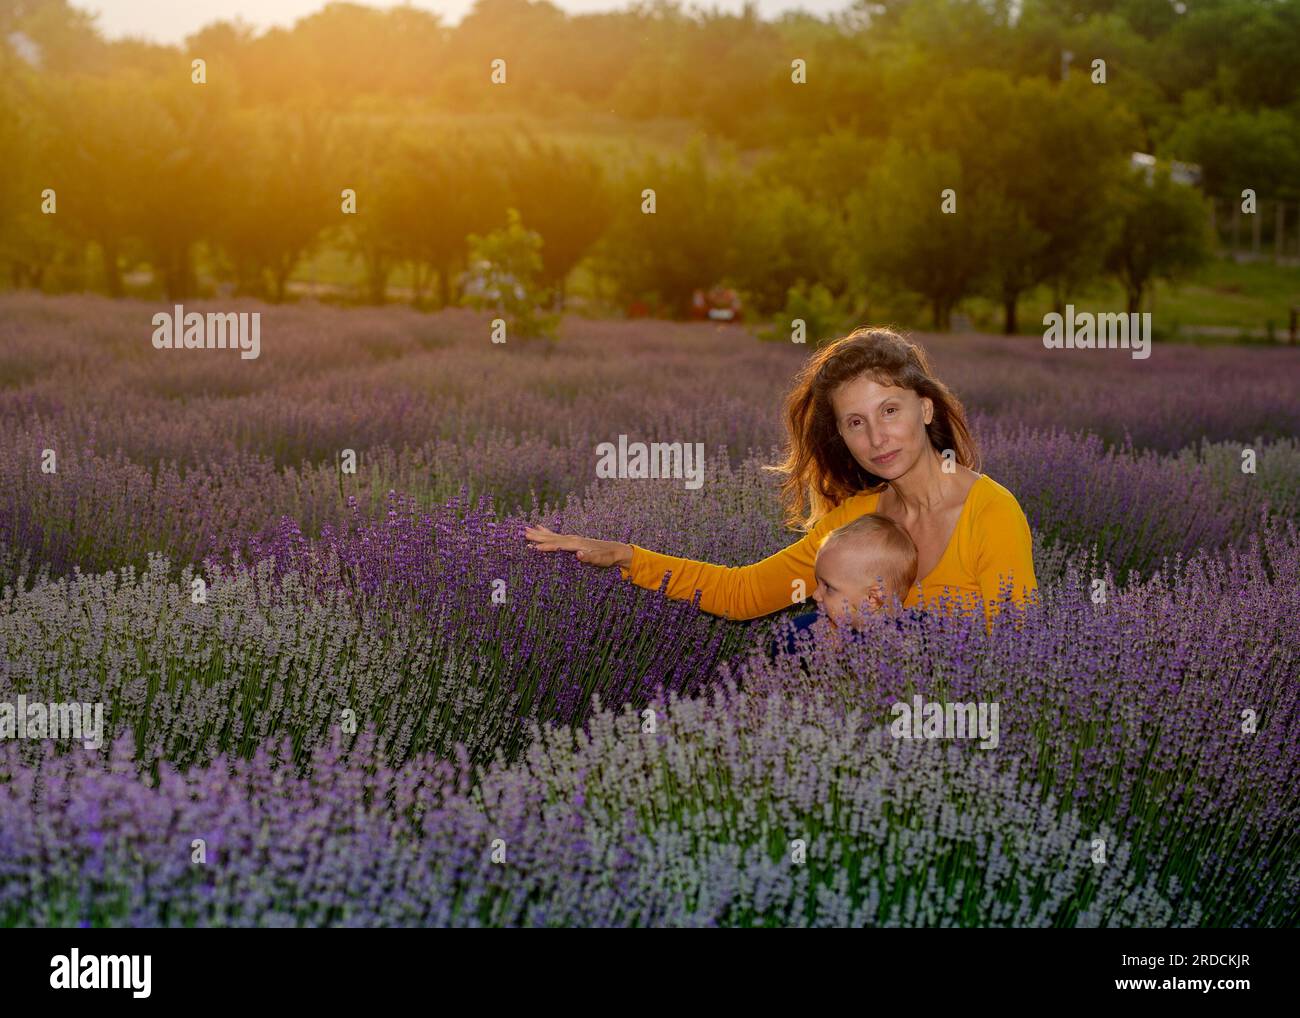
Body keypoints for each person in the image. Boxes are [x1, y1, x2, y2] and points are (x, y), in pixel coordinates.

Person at [524, 326, 1037, 634]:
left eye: (889, 410)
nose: (878, 436)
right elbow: (743, 592)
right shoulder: (855, 520)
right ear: (841, 435)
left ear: (925, 408)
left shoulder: (989, 513)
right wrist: (623, 556)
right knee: (799, 634)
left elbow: (1016, 655)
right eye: (856, 422)